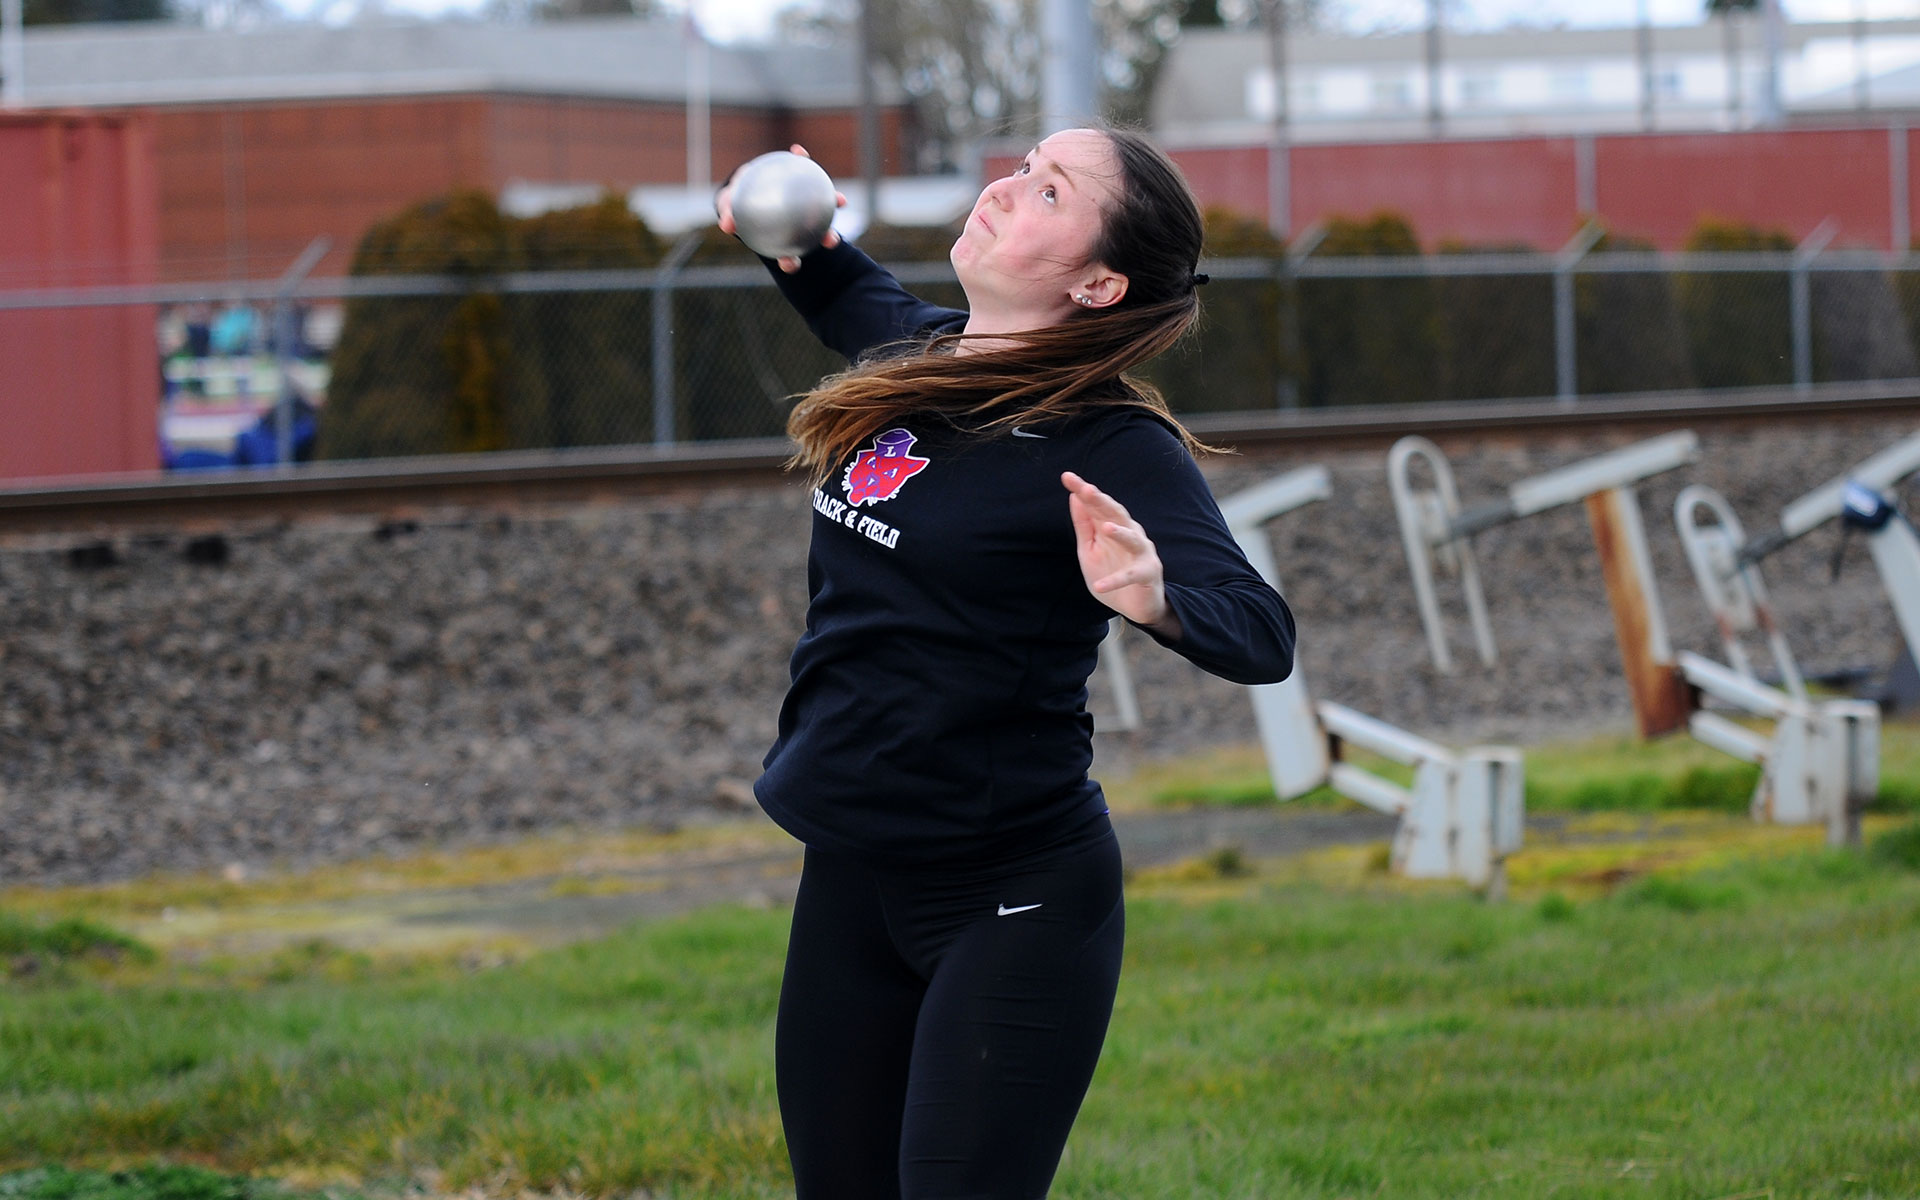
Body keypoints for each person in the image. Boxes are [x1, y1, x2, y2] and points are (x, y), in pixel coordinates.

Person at [716, 127, 1296, 1200]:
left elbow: (1260, 631)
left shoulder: (1114, 441)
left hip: (1011, 898)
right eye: (1023, 166)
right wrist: (790, 231)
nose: (1006, 188)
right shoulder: (923, 353)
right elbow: (850, 296)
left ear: (1098, 281)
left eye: (1049, 189)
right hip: (850, 868)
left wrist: (1157, 598)